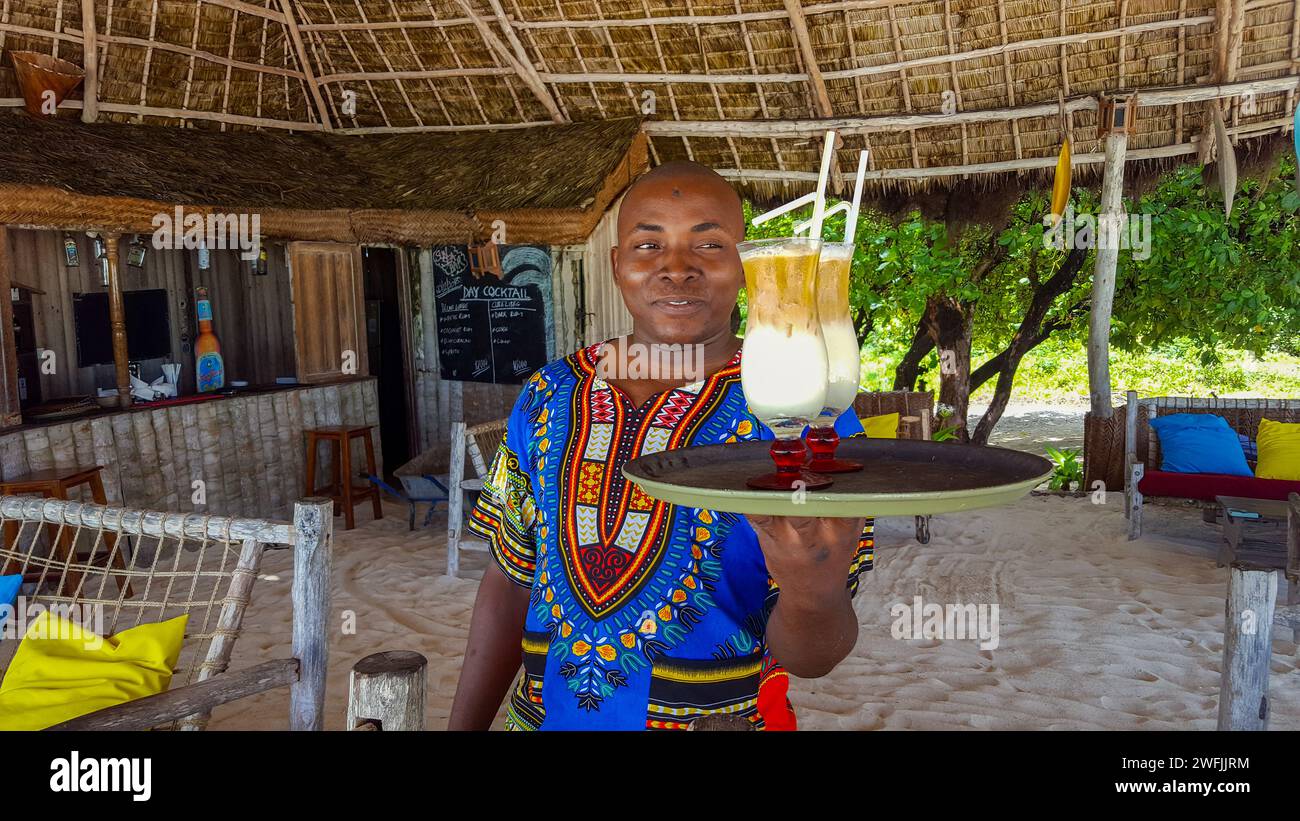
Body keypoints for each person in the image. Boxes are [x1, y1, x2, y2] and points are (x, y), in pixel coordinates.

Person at [448, 161, 873, 731]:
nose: (678, 269)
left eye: (711, 244)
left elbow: (816, 656)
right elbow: (509, 577)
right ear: (617, 264)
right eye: (649, 244)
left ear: (748, 266)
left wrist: (811, 590)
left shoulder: (813, 413)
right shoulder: (549, 394)